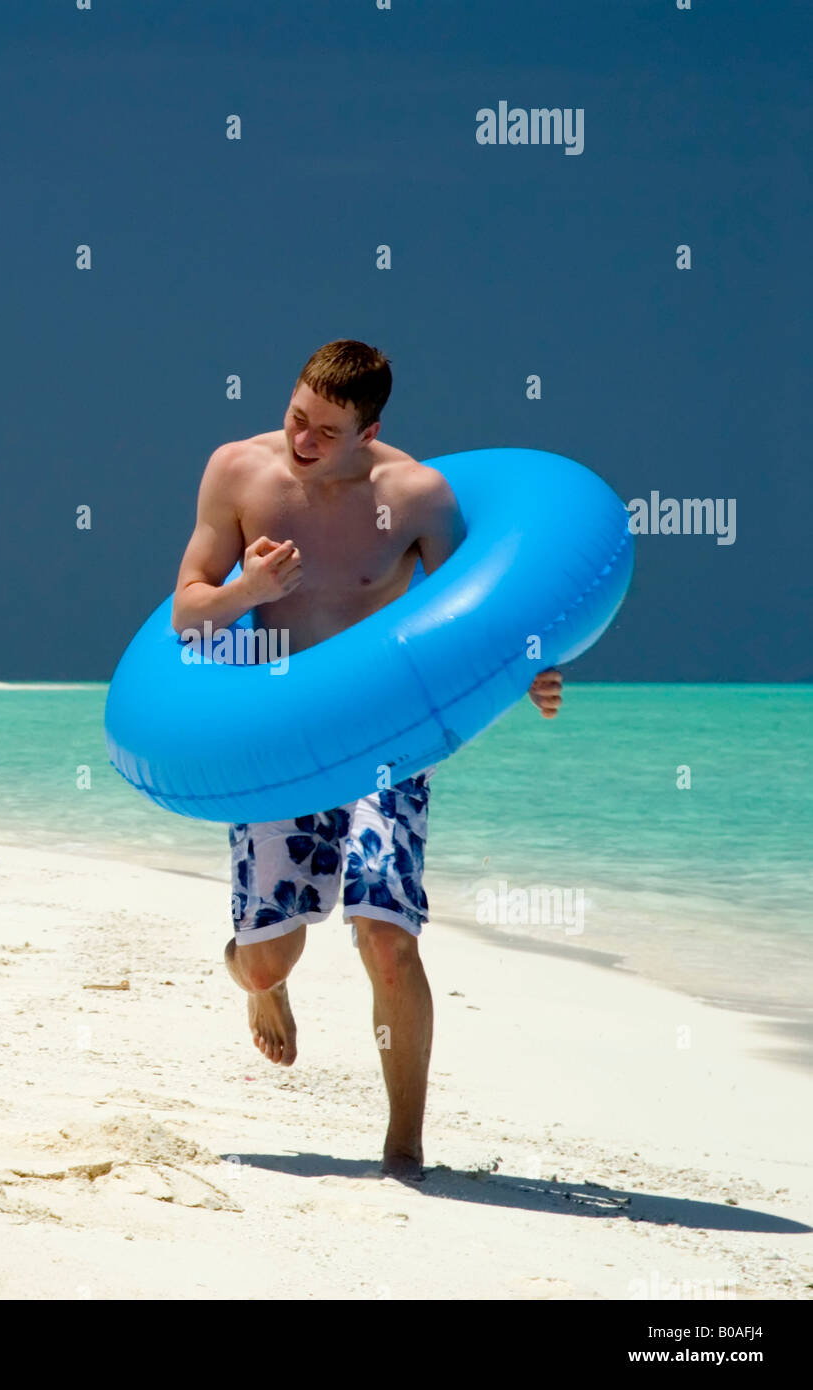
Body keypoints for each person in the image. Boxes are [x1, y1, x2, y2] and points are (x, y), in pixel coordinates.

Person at [170, 340, 563, 1181]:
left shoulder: (416, 496)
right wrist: (248, 594)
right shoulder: (239, 473)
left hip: (386, 740)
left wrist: (528, 669)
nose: (302, 440)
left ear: (369, 429)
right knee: (270, 956)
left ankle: (404, 1145)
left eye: (325, 431)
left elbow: (469, 622)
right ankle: (258, 979)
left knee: (388, 939)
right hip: (280, 734)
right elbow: (188, 618)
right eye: (296, 417)